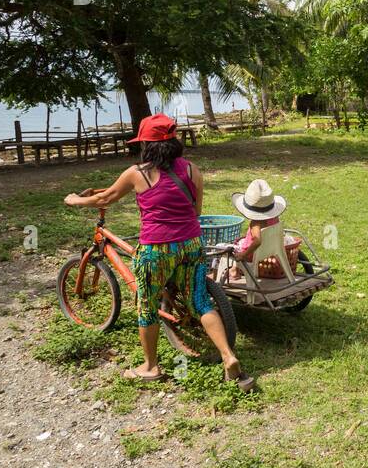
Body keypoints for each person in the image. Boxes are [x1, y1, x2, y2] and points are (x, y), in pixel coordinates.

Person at [63, 113, 253, 390]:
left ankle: (151, 367)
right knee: (200, 302)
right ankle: (228, 356)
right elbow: (196, 212)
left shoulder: (137, 174)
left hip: (156, 250)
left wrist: (76, 200)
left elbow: (105, 198)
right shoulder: (192, 170)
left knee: (147, 306)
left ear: (147, 146)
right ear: (173, 142)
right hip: (191, 244)